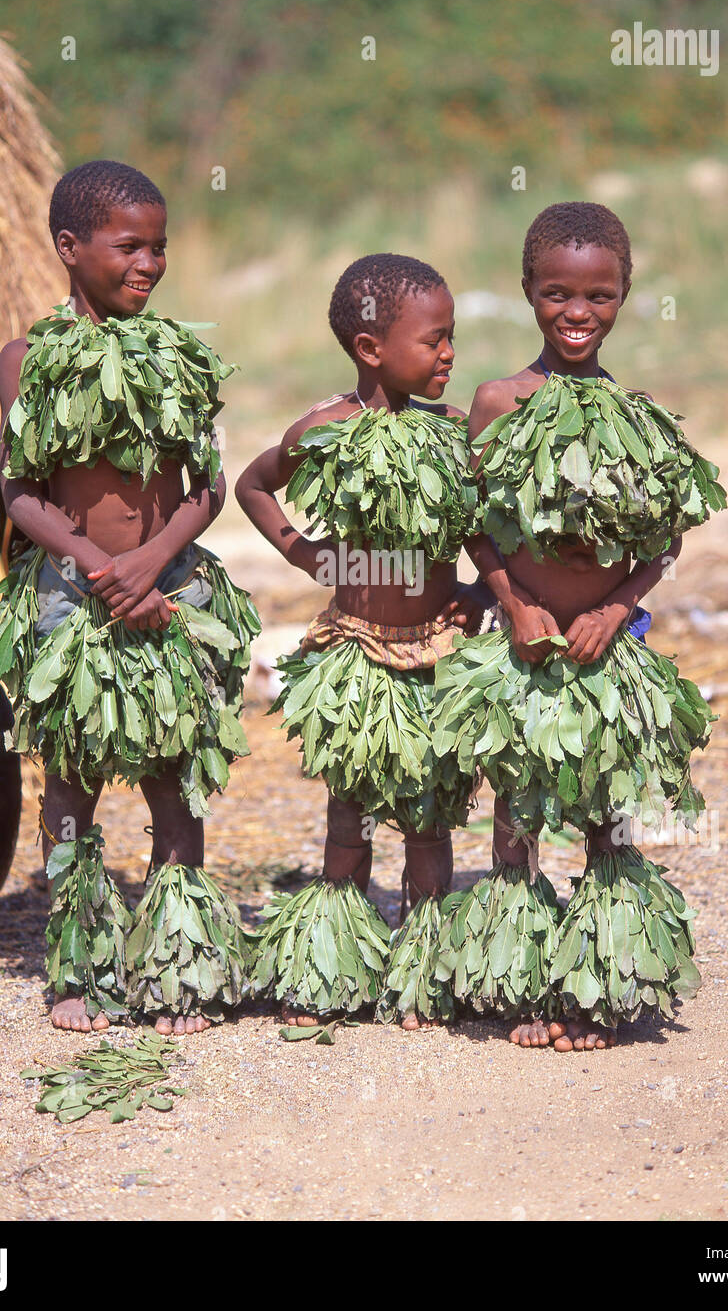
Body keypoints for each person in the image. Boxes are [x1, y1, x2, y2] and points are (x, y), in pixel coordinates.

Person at [433, 202, 721, 1051]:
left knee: (603, 813)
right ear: (527, 291)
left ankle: (597, 991)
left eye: (597, 295)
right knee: (515, 818)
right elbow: (468, 519)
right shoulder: (497, 400)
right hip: (519, 649)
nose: (576, 312)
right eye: (556, 293)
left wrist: (615, 606)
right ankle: (522, 980)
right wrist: (509, 602)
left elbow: (667, 533)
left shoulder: (638, 418)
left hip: (605, 650)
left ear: (624, 296)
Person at [0, 160, 258, 1035]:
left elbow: (207, 485)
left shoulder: (178, 354)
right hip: (71, 593)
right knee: (69, 785)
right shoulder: (29, 358)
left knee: (178, 780)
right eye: (128, 246)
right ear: (69, 248)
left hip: (170, 586)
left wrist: (152, 562)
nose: (148, 263)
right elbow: (20, 491)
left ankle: (179, 966)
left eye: (160, 247)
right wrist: (101, 568)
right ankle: (79, 966)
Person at [237, 253, 506, 1031]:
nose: (449, 354)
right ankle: (334, 962)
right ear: (369, 349)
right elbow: (253, 484)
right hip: (355, 647)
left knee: (428, 818)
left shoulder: (456, 436)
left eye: (452, 336)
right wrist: (301, 552)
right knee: (346, 816)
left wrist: (479, 595)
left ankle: (423, 968)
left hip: (436, 651)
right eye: (433, 340)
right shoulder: (326, 429)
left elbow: (496, 536)